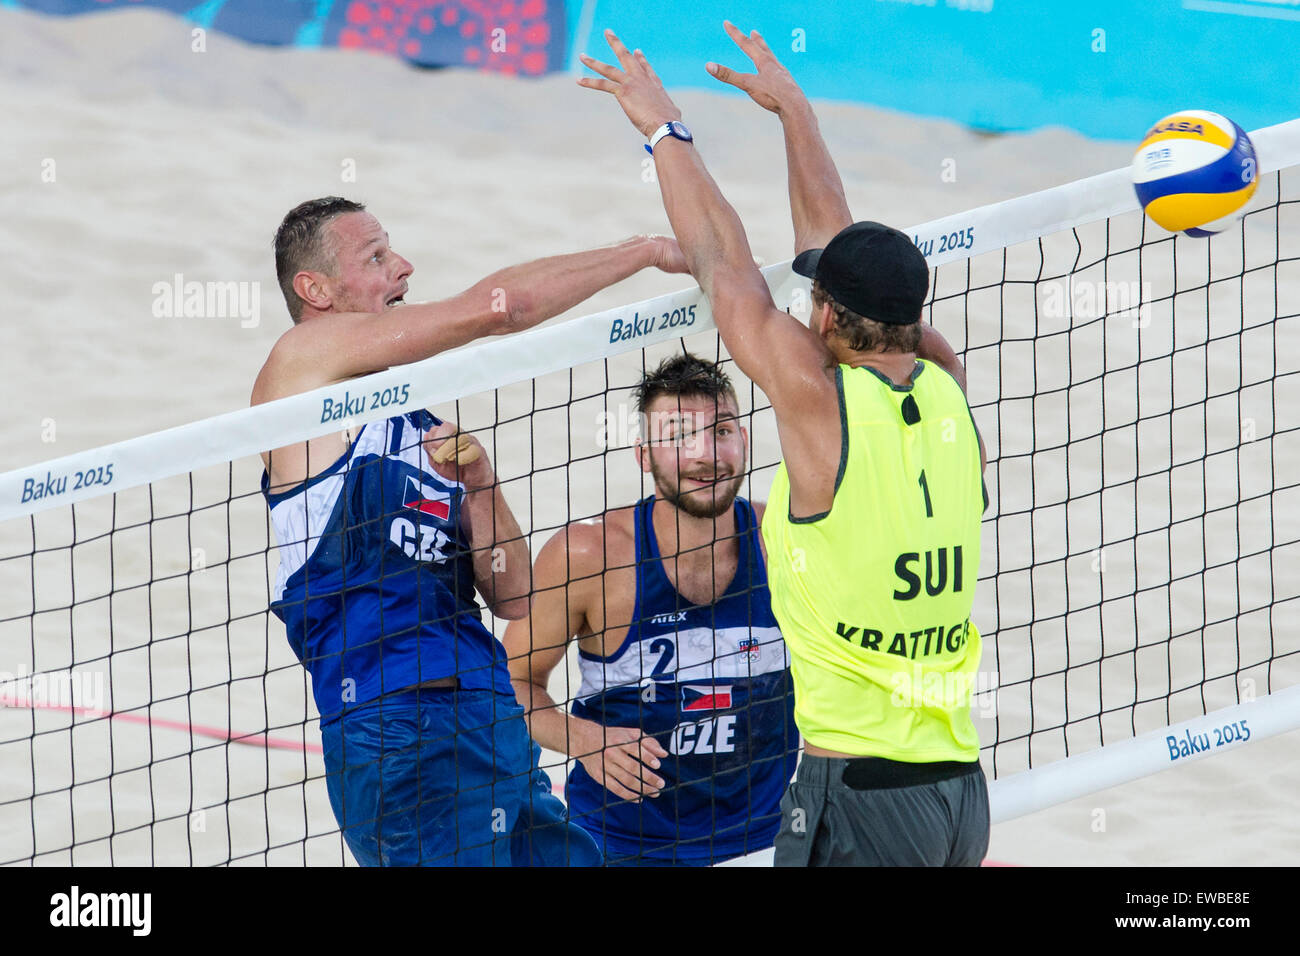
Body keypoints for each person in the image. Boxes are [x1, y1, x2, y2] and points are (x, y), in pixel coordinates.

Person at [578, 24, 990, 866]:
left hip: (861, 796)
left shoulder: (819, 401)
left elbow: (721, 259)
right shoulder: (947, 381)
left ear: (828, 316)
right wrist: (796, 116)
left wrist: (665, 129)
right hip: (959, 792)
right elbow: (834, 252)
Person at [252, 196, 688, 865]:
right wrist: (648, 252)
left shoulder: (421, 428)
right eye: (376, 257)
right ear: (315, 290)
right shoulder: (300, 370)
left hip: (489, 718)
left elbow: (513, 598)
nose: (404, 266)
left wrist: (481, 486)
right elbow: (498, 307)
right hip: (398, 722)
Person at [503, 354, 797, 866]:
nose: (707, 454)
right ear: (644, 456)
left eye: (722, 430)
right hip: (620, 844)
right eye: (681, 435)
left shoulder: (787, 543)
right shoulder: (588, 556)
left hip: (765, 843)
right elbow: (506, 684)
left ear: (744, 440)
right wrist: (583, 738)